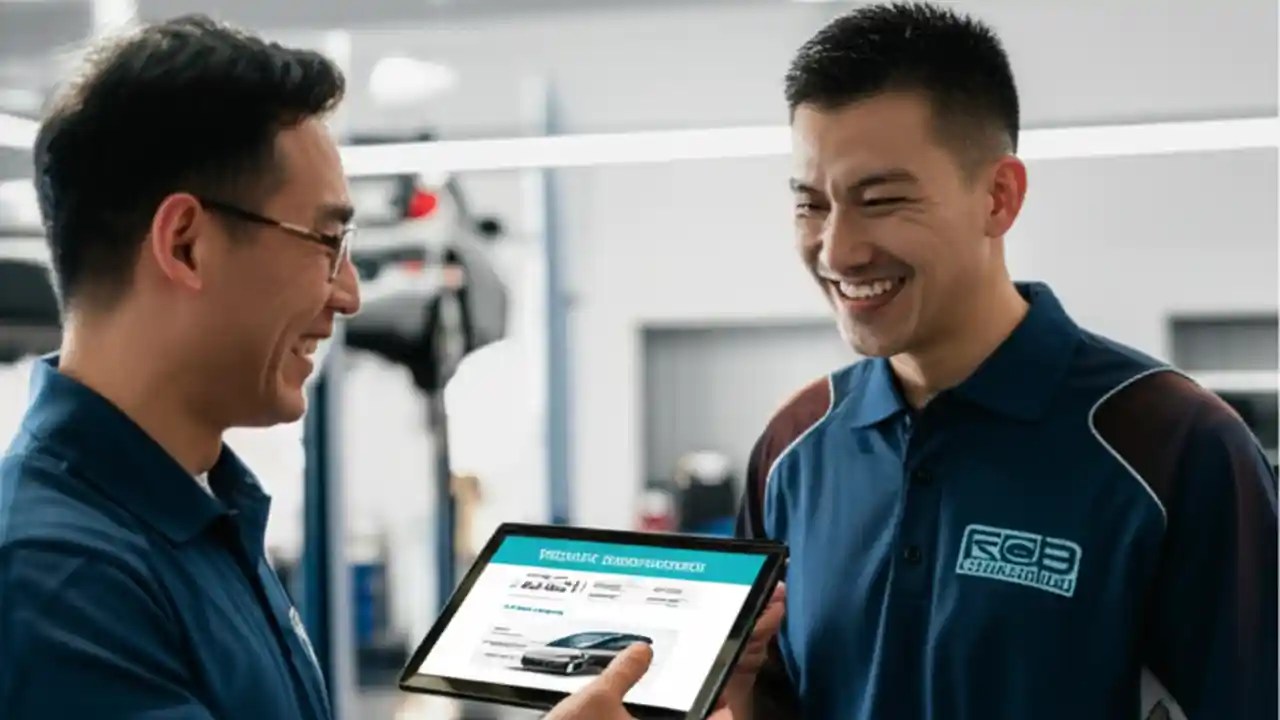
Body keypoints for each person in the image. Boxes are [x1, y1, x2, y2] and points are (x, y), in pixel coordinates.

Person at [0, 16, 783, 720]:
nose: (348, 293)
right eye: (324, 241)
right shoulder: (54, 576)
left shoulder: (202, 514)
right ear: (186, 245)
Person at [734, 3, 1278, 720]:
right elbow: (757, 697)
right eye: (811, 205)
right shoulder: (793, 447)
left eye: (881, 200)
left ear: (999, 196)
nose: (838, 251)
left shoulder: (1171, 445)